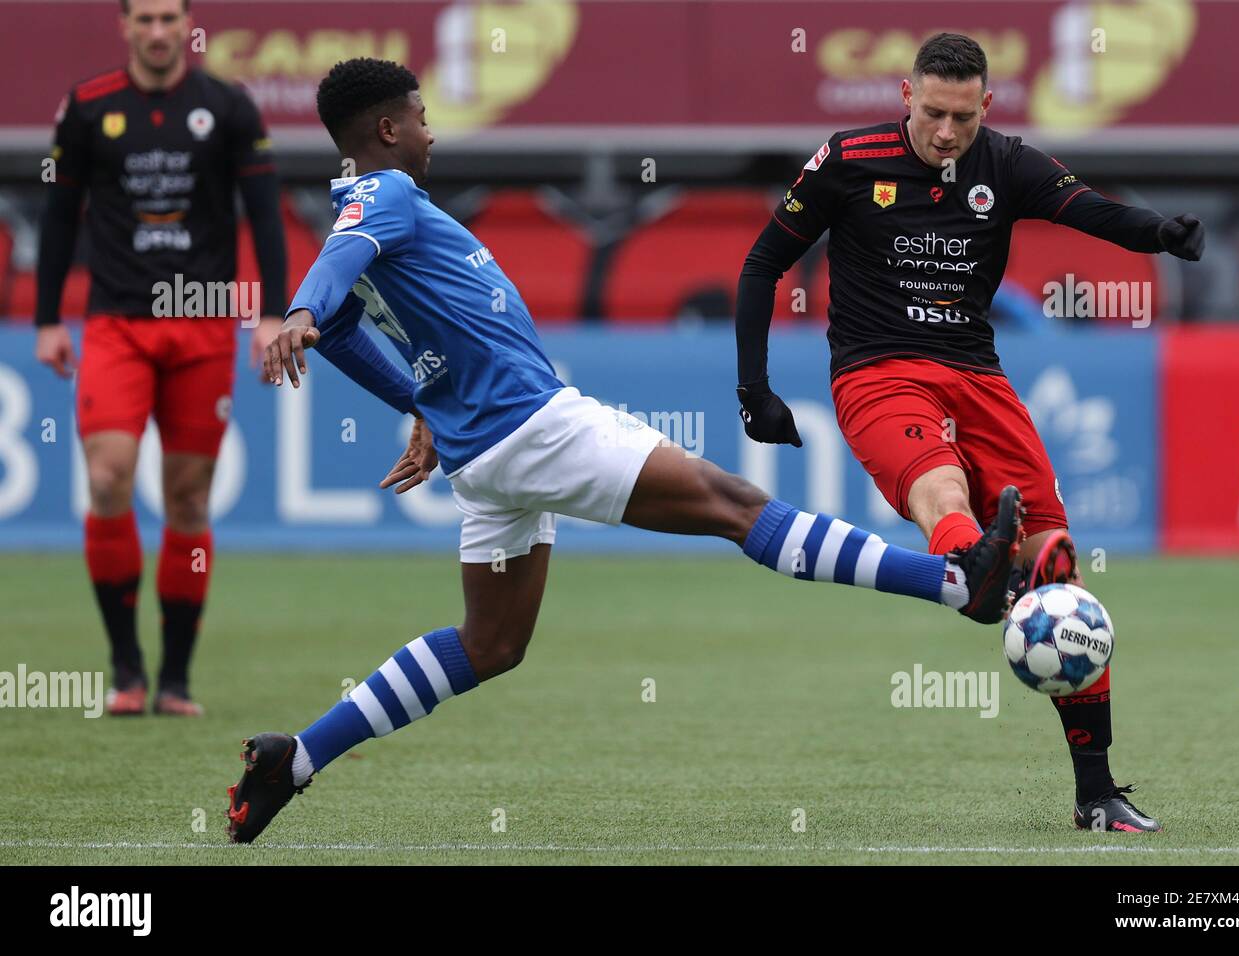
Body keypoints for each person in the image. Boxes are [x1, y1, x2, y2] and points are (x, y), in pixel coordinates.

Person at [225, 57, 1023, 844]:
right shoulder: (387, 192)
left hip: (484, 457)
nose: (431, 133)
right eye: (422, 118)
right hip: (532, 427)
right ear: (388, 128)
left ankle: (295, 758)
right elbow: (327, 293)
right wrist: (297, 311)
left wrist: (416, 399)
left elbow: (339, 323)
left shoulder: (362, 208)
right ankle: (958, 583)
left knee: (491, 644)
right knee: (735, 507)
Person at [733, 33, 1205, 832]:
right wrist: (756, 389)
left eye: (962, 116)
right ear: (906, 96)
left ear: (985, 107)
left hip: (981, 380)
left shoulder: (1007, 162)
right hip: (878, 373)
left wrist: (1160, 233)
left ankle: (1097, 795)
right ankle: (975, 566)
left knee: (1060, 572)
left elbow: (1089, 210)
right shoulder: (849, 159)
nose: (947, 133)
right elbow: (761, 265)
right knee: (940, 487)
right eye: (933, 113)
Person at [34, 0, 288, 716]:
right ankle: (126, 668)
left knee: (188, 497)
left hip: (202, 322)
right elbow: (59, 214)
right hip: (116, 322)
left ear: (187, 24)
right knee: (109, 478)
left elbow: (264, 210)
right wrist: (49, 317)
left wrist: (272, 310)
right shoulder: (86, 109)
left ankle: (175, 678)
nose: (156, 31)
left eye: (168, 17)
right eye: (143, 18)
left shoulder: (229, 108)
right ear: (124, 26)